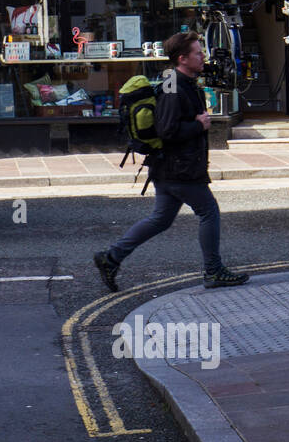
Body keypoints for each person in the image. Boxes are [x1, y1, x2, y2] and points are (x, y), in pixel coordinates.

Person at [94, 31, 248, 292]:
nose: (203, 56)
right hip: (180, 168)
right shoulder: (173, 87)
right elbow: (167, 131)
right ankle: (213, 271)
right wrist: (197, 126)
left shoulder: (182, 82)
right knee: (208, 212)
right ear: (182, 58)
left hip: (168, 167)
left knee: (160, 219)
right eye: (198, 53)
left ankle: (111, 258)